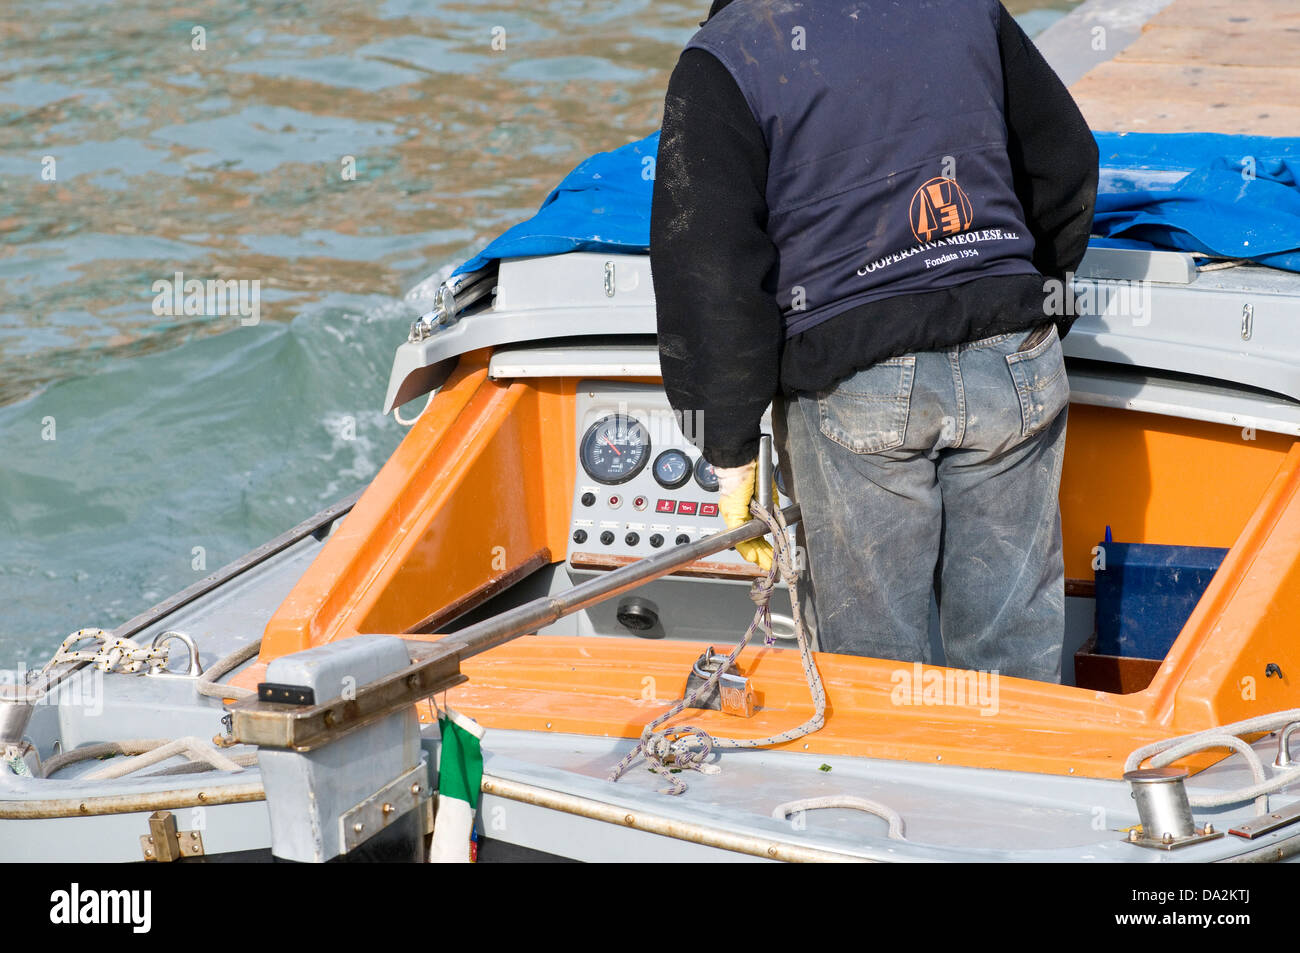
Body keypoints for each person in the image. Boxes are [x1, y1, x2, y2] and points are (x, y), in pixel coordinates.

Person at [651, 0, 1098, 682]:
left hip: (857, 380)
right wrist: (1032, 303)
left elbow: (710, 274)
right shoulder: (965, 8)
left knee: (872, 673)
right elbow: (1065, 159)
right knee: (1012, 668)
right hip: (1015, 355)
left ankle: (885, 788)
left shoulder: (726, 55)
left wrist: (730, 449)